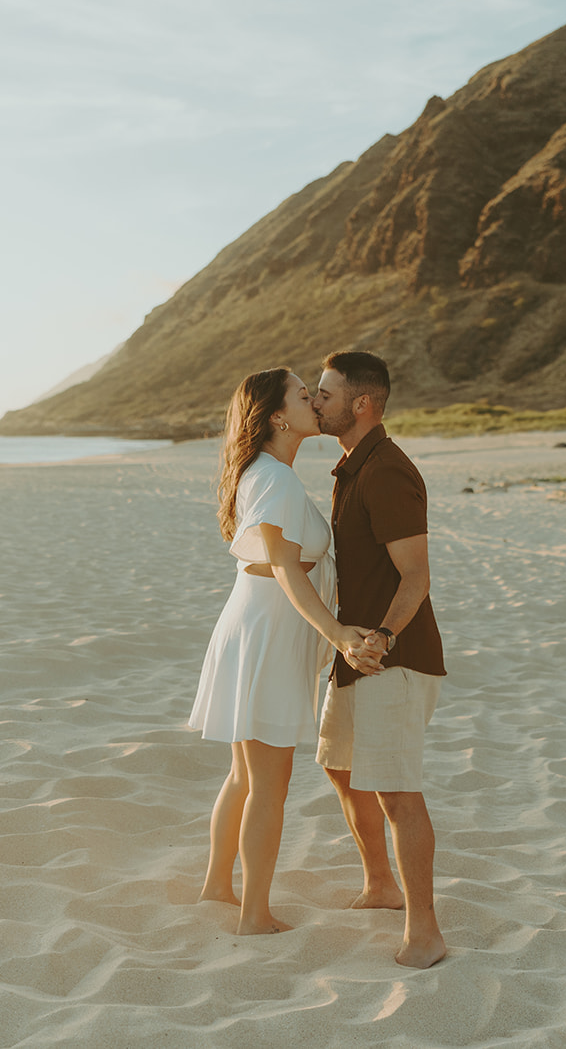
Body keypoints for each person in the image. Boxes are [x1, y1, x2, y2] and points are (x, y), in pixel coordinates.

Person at [189, 367, 381, 935]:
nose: (315, 403)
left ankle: (217, 887)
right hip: (267, 636)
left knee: (244, 777)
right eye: (303, 396)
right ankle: (254, 914)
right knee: (267, 785)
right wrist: (337, 632)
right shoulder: (275, 479)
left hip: (257, 626)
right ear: (277, 417)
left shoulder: (269, 473)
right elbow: (286, 570)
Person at [310, 350, 448, 968]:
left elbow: (415, 576)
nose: (316, 402)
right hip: (356, 653)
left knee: (396, 792)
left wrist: (384, 638)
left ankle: (426, 930)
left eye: (325, 393)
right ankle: (381, 884)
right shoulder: (351, 465)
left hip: (394, 655)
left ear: (361, 403)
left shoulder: (387, 470)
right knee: (340, 768)